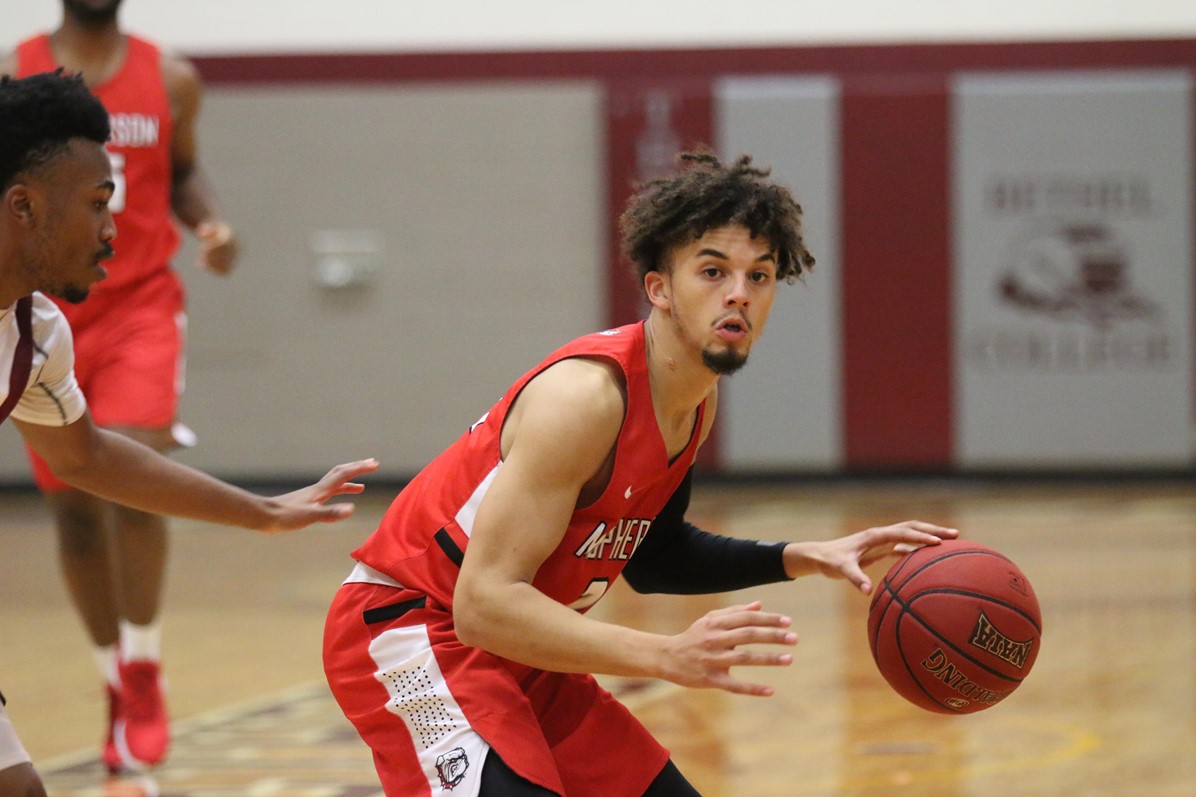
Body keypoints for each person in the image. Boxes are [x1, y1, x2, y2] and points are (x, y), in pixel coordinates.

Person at [322, 149, 959, 796]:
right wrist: (665, 654)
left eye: (760, 275)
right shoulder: (585, 399)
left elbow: (654, 557)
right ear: (660, 289)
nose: (739, 292)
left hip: (519, 646)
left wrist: (807, 556)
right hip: (413, 624)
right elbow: (481, 605)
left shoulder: (693, 405)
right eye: (713, 271)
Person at [0, 69, 377, 797]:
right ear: (24, 207)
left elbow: (90, 456)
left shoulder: (36, 334)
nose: (113, 229)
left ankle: (137, 668)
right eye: (97, 204)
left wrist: (262, 512)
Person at [1, 0, 240, 772]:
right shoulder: (14, 72)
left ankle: (142, 665)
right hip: (47, 299)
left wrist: (211, 224)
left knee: (127, 468)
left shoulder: (170, 79)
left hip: (137, 302)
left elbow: (184, 173)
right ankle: (111, 674)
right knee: (73, 511)